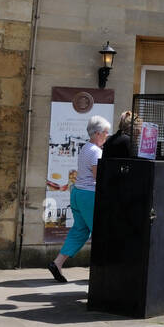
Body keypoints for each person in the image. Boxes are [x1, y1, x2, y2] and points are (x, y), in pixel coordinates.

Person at [49, 114, 110, 283]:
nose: (107, 135)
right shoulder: (96, 152)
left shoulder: (85, 148)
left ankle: (57, 263)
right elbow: (99, 177)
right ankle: (100, 273)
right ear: (97, 133)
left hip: (77, 193)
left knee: (80, 230)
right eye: (106, 132)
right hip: (89, 195)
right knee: (101, 232)